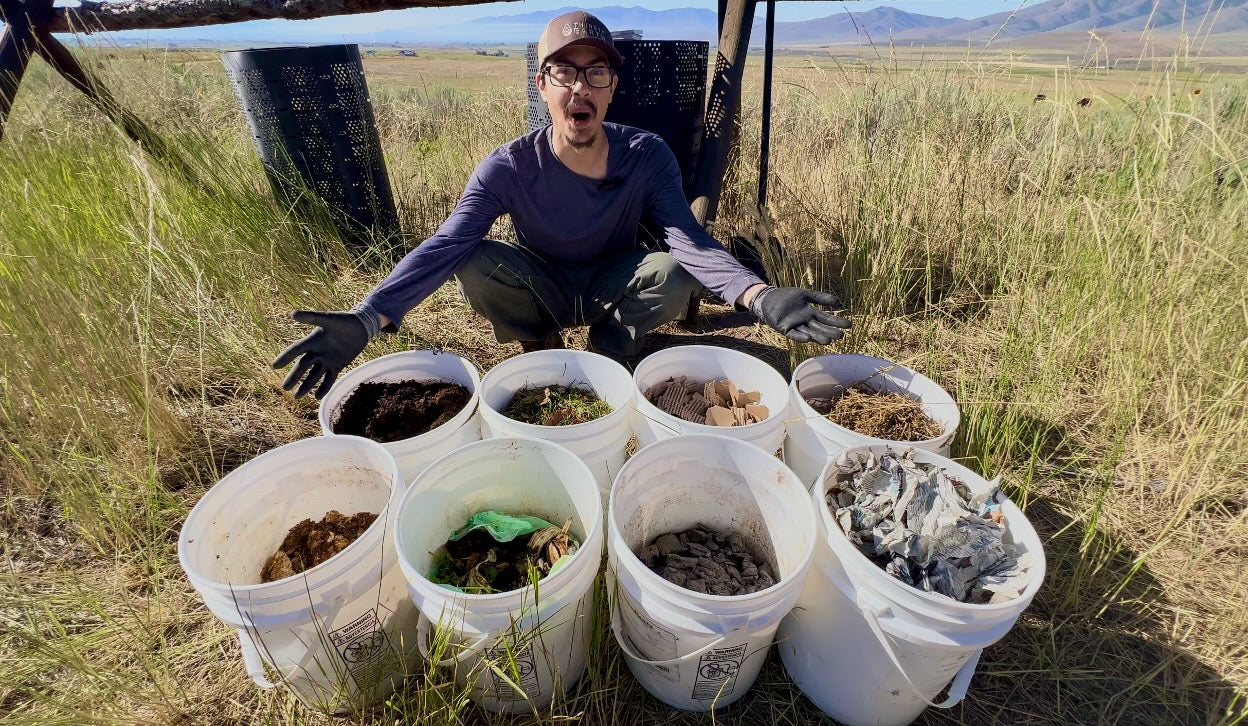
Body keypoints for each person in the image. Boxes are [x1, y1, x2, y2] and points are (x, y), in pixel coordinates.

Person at [273, 10, 850, 399]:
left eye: (595, 72)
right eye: (565, 72)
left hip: (611, 281)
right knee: (473, 257)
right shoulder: (509, 167)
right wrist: (371, 316)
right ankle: (538, 341)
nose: (581, 87)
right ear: (542, 86)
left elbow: (687, 240)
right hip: (541, 281)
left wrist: (757, 293)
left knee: (674, 271)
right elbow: (447, 244)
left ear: (611, 88)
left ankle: (613, 345)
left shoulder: (645, 155)